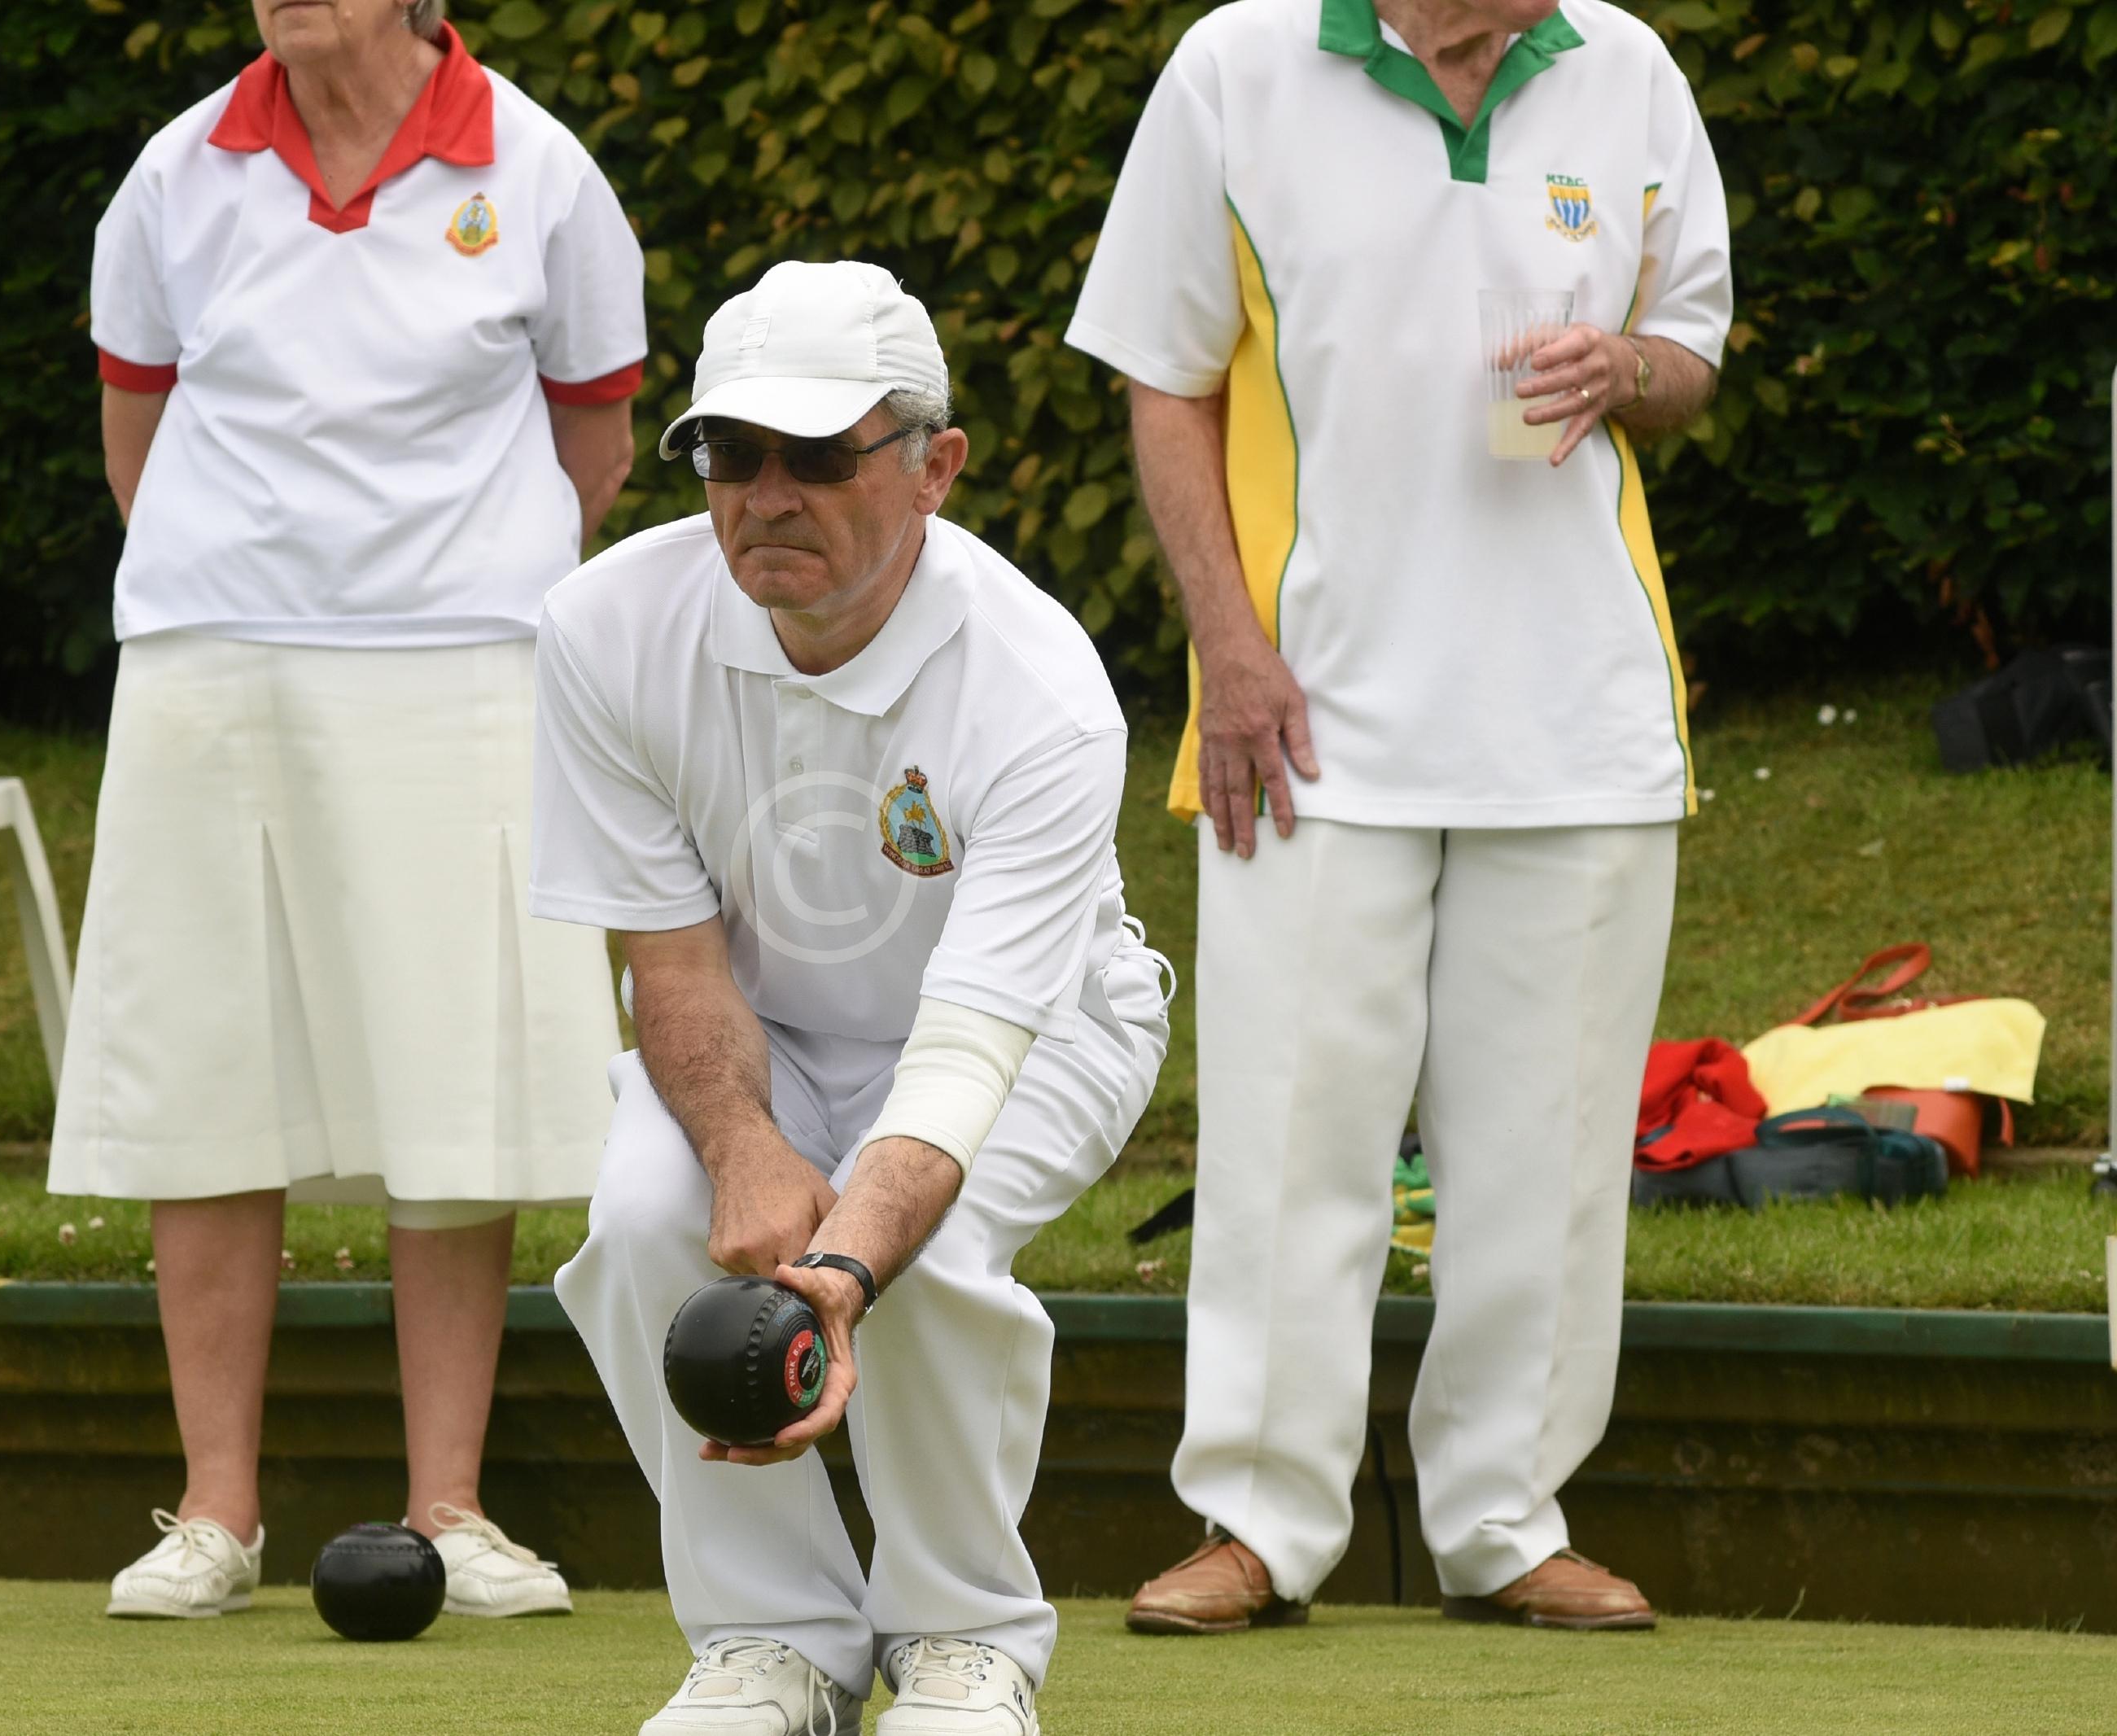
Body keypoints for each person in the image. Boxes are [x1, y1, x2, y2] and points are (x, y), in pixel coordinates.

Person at [1065, 0, 1730, 1634]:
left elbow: (1689, 357)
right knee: (1289, 1139)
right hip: (1305, 714)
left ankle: (1506, 1517)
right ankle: (1258, 1522)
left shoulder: (1627, 67)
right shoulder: (1234, 65)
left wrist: (1628, 363)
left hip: (1576, 713)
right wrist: (1226, 644)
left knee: (1553, 1153)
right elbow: (1161, 382)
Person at [53, 0, 645, 1622]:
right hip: (211, 657)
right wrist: (250, 576)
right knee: (209, 1060)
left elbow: (590, 437)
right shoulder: (177, 172)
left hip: (462, 659)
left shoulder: (538, 169)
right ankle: (215, 1510)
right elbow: (139, 427)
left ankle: (448, 1506)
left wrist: (448, 573)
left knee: (450, 1072)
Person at [533, 260, 1170, 1734]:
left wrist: (842, 1265)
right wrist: (750, 1154)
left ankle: (965, 1639)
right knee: (644, 1222)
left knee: (926, 1258)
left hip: (1041, 1024)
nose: (766, 494)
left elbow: (968, 1047)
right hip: (766, 1033)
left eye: (819, 457)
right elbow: (674, 964)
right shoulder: (602, 630)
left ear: (934, 468)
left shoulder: (1043, 686)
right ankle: (772, 1641)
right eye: (730, 454)